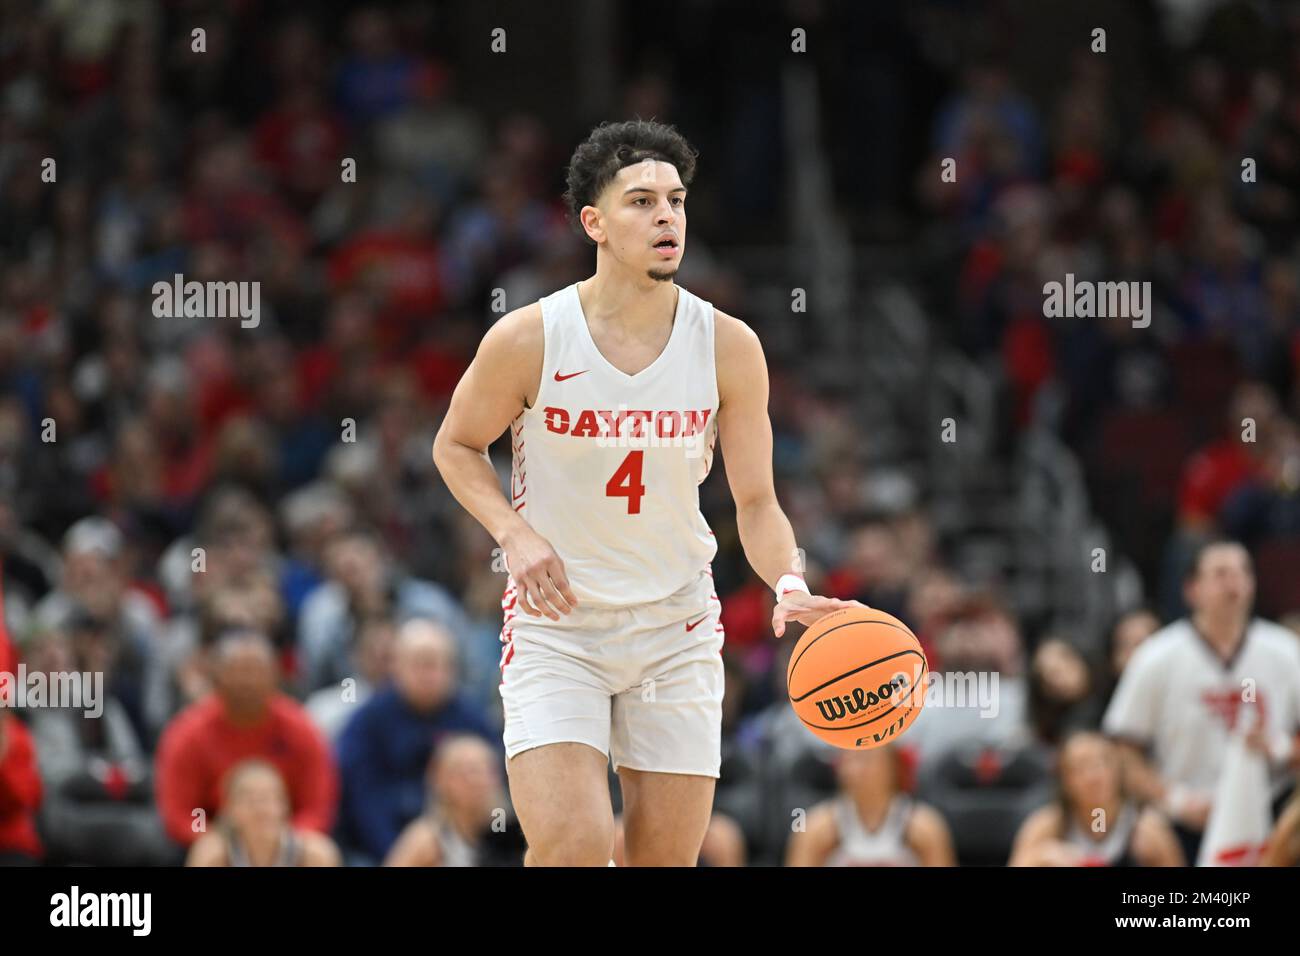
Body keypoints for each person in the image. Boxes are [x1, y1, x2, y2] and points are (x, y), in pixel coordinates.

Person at [433, 119, 860, 866]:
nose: (667, 216)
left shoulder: (728, 345)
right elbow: (456, 445)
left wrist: (788, 580)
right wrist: (514, 533)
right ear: (593, 223)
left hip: (675, 628)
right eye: (641, 201)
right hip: (559, 628)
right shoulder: (530, 337)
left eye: (676, 200)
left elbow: (757, 502)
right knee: (573, 846)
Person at [1102, 538, 1300, 865]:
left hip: (1270, 811)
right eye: (1221, 574)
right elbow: (1122, 750)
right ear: (1192, 590)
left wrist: (1280, 747)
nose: (1234, 584)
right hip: (1184, 820)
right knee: (1145, 837)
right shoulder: (1156, 656)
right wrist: (1175, 800)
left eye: (1243, 573)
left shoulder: (1286, 652)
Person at [154, 629, 338, 849]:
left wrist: (281, 842)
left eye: (256, 671)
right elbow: (181, 813)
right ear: (217, 676)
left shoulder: (301, 729)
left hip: (287, 840)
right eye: (238, 671)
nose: (247, 681)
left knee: (320, 851)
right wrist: (212, 839)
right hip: (213, 837)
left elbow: (316, 808)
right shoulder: (188, 733)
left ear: (276, 675)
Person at [335, 619, 496, 864]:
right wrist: (403, 854)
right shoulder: (368, 722)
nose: (431, 675)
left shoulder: (472, 719)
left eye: (439, 665)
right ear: (397, 666)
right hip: (376, 847)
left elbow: (495, 787)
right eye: (422, 664)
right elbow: (363, 801)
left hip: (463, 843)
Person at [1008, 731, 1183, 866]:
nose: (1094, 776)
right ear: (1064, 780)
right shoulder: (1047, 825)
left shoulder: (1148, 829)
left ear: (1119, 771)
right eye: (1081, 767)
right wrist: (1041, 858)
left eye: (1103, 763)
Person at [785, 745, 955, 866]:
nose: (853, 769)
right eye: (847, 759)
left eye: (864, 759)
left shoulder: (925, 827)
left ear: (892, 766)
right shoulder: (815, 827)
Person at [384, 734, 521, 867]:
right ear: (441, 779)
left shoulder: (504, 825)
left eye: (487, 771)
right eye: (468, 772)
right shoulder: (428, 838)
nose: (478, 781)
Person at [186, 759, 341, 867]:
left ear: (285, 806)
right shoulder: (213, 855)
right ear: (229, 809)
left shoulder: (314, 855)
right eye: (249, 799)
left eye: (268, 798)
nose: (260, 809)